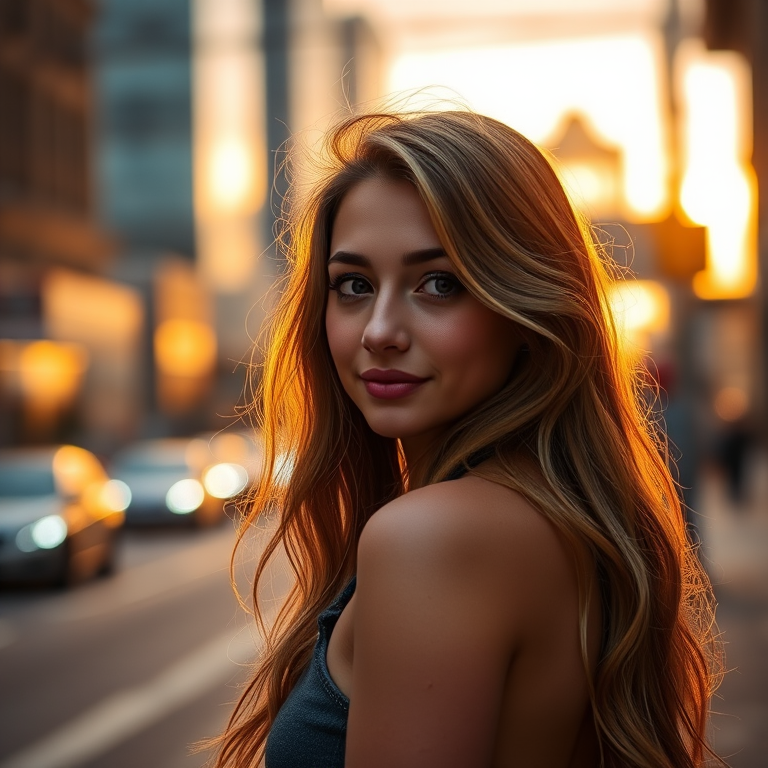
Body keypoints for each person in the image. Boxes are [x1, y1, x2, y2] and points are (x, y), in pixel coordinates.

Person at [211, 110, 723, 768]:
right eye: (355, 286)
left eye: (439, 283)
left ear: (526, 310)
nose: (380, 330)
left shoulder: (431, 538)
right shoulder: (556, 519)